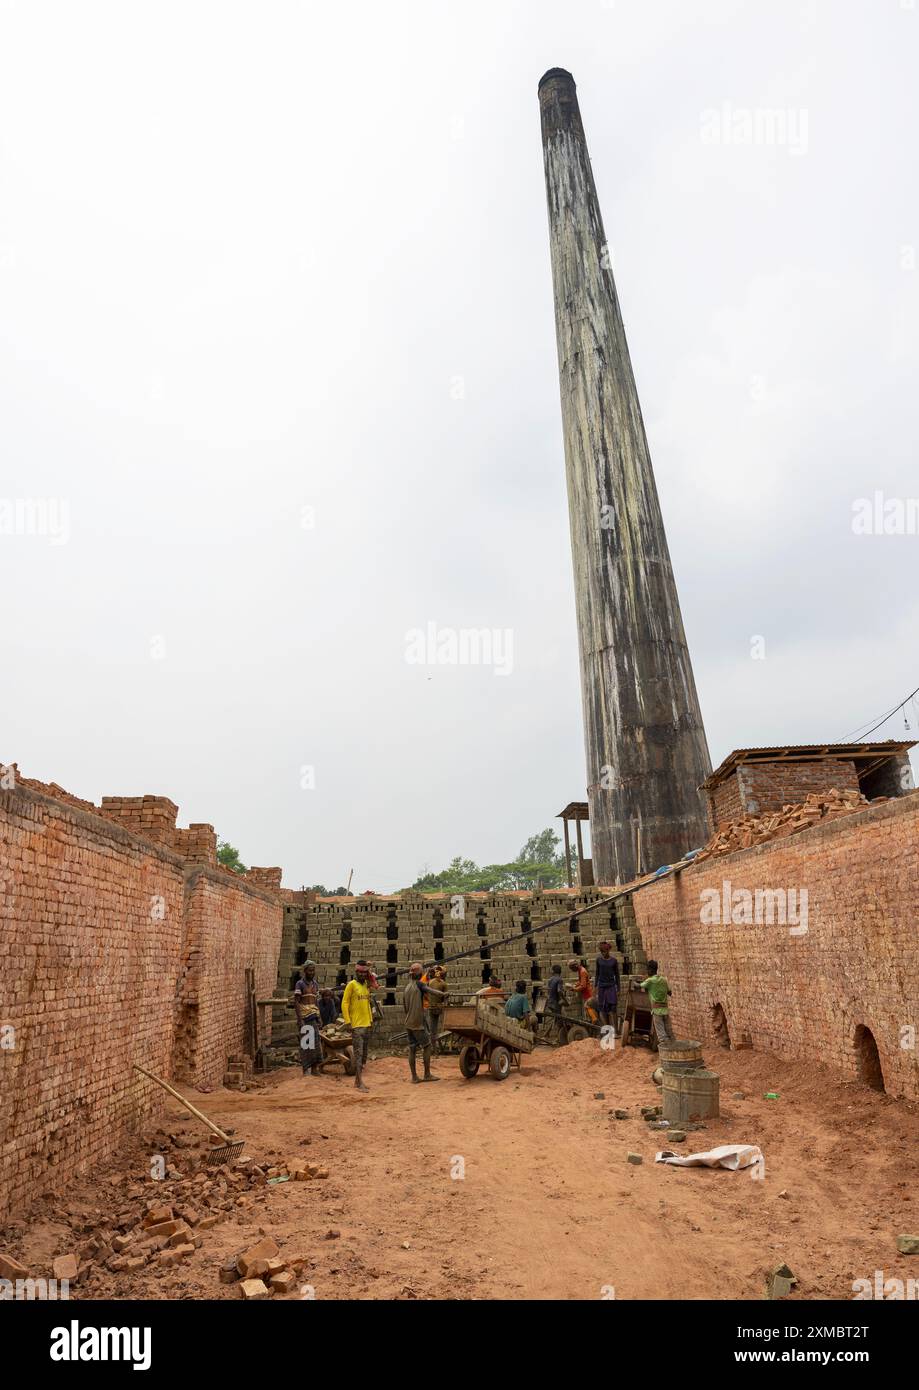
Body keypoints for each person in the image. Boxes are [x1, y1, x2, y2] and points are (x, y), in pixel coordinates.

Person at [403, 962, 442, 1083]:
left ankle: (414, 1077)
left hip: (408, 1022)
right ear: (419, 974)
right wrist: (444, 994)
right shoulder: (419, 984)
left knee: (412, 1048)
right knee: (427, 1045)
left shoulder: (407, 987)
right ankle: (427, 1074)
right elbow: (431, 991)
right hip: (416, 1023)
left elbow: (405, 1007)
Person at [341, 962, 375, 1092]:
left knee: (364, 1055)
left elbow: (367, 1003)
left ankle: (357, 1081)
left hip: (366, 1024)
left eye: (364, 972)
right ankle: (359, 1082)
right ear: (356, 972)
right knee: (358, 1055)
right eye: (360, 972)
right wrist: (348, 1021)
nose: (362, 974)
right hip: (356, 1025)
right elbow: (344, 1003)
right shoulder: (351, 985)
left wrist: (371, 1020)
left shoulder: (366, 985)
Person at [294, 962, 321, 1077]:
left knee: (315, 1044)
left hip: (313, 1016)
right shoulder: (300, 984)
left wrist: (319, 1017)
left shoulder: (315, 984)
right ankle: (306, 1070)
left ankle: (315, 1069)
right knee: (306, 1044)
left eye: (313, 970)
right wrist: (300, 1019)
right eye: (310, 970)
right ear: (305, 971)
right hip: (305, 1017)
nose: (312, 973)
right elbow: (296, 1002)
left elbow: (316, 1002)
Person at [639, 959, 674, 1046]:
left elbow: (639, 985)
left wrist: (636, 983)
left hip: (657, 1011)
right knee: (669, 1032)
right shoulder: (663, 979)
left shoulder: (650, 981)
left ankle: (667, 1053)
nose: (647, 971)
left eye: (647, 970)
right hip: (665, 1010)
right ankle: (675, 1048)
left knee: (662, 1036)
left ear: (650, 970)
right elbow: (670, 992)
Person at [594, 941, 621, 1028]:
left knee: (613, 1008)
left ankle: (616, 1030)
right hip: (602, 986)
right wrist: (595, 986)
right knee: (602, 1008)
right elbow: (597, 973)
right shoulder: (599, 960)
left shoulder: (614, 961)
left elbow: (617, 975)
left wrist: (618, 988)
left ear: (608, 950)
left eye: (604, 952)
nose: (603, 953)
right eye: (601, 952)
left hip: (611, 986)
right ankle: (606, 1029)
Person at [425, 964, 448, 1047]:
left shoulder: (429, 982)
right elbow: (445, 997)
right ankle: (437, 1045)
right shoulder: (444, 984)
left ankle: (432, 1046)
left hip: (431, 1007)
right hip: (439, 1008)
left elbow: (425, 994)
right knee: (442, 1027)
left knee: (432, 1029)